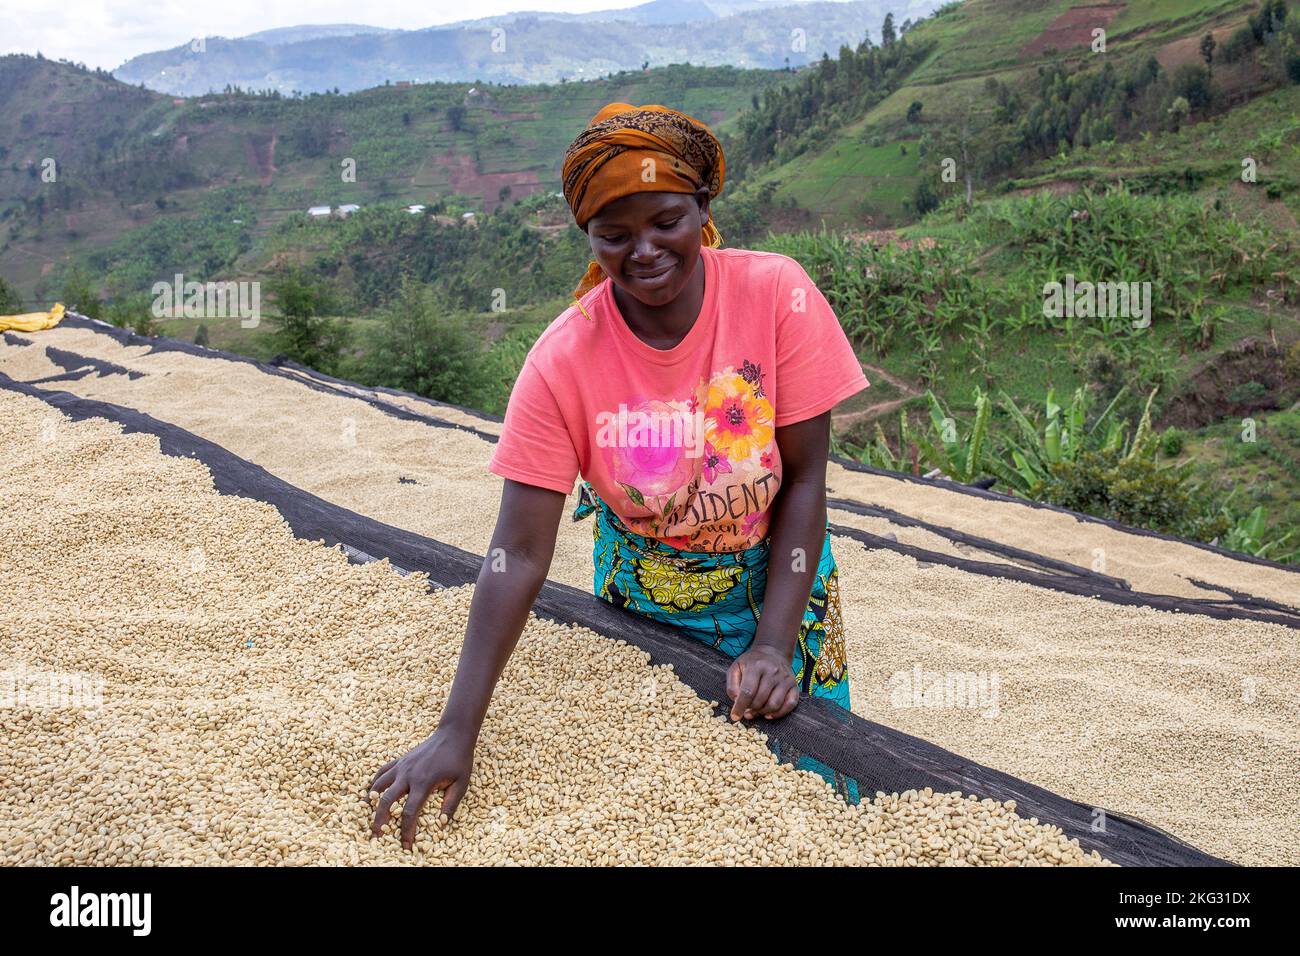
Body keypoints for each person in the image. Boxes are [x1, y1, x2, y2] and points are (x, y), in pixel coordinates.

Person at [369, 103, 870, 848]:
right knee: (673, 810)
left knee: (817, 800)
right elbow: (520, 553)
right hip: (644, 602)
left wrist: (771, 645)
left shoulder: (776, 295)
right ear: (588, 238)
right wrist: (455, 729)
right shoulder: (563, 360)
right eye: (614, 235)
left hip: (786, 586)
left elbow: (804, 482)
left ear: (702, 208)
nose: (643, 251)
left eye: (666, 220)